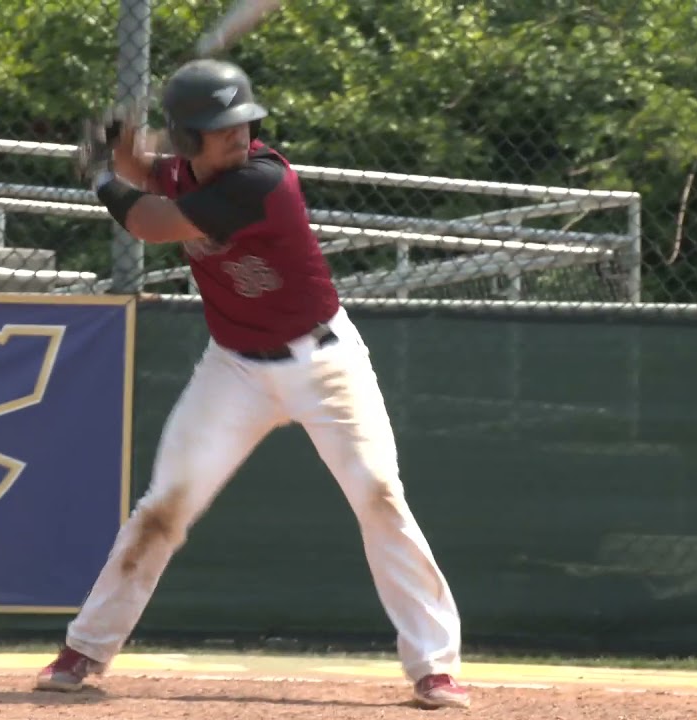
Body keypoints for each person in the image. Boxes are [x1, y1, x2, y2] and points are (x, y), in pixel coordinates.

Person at [34, 59, 471, 709]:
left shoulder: (263, 180)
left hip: (324, 365)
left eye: (243, 122)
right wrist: (120, 143)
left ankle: (435, 667)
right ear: (188, 141)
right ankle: (86, 649)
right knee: (164, 508)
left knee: (379, 495)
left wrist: (100, 172)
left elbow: (152, 221)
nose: (239, 135)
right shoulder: (183, 170)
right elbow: (150, 170)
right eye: (220, 128)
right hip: (233, 368)